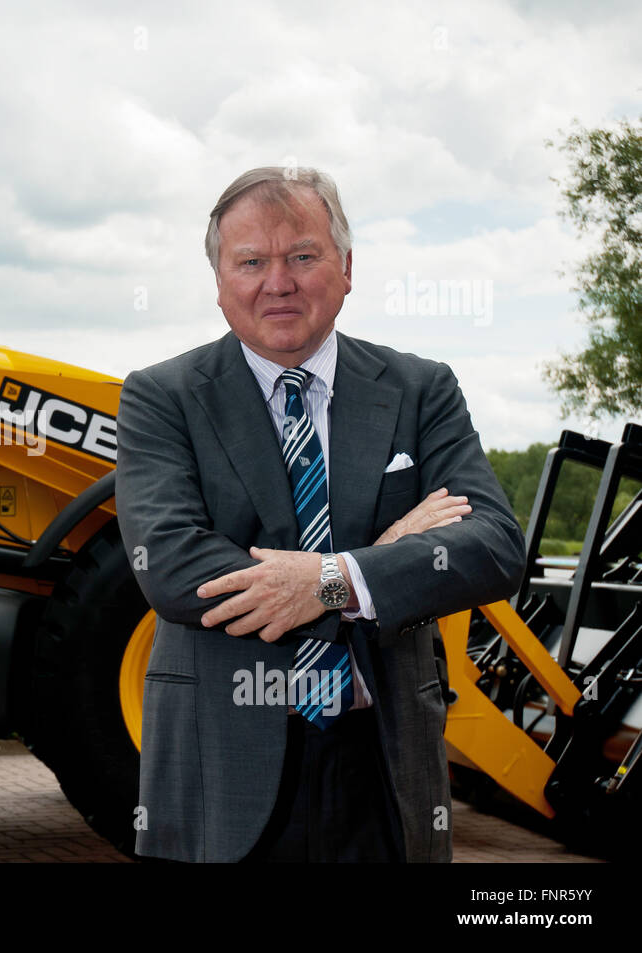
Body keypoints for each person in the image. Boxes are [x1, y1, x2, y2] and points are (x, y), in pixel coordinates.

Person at [114, 167, 525, 863]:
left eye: (302, 256)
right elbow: (175, 567)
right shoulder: (162, 397)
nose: (279, 283)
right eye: (251, 262)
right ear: (220, 280)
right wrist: (381, 562)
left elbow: (492, 545)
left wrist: (333, 577)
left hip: (383, 768)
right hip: (222, 770)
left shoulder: (421, 390)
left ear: (346, 268)